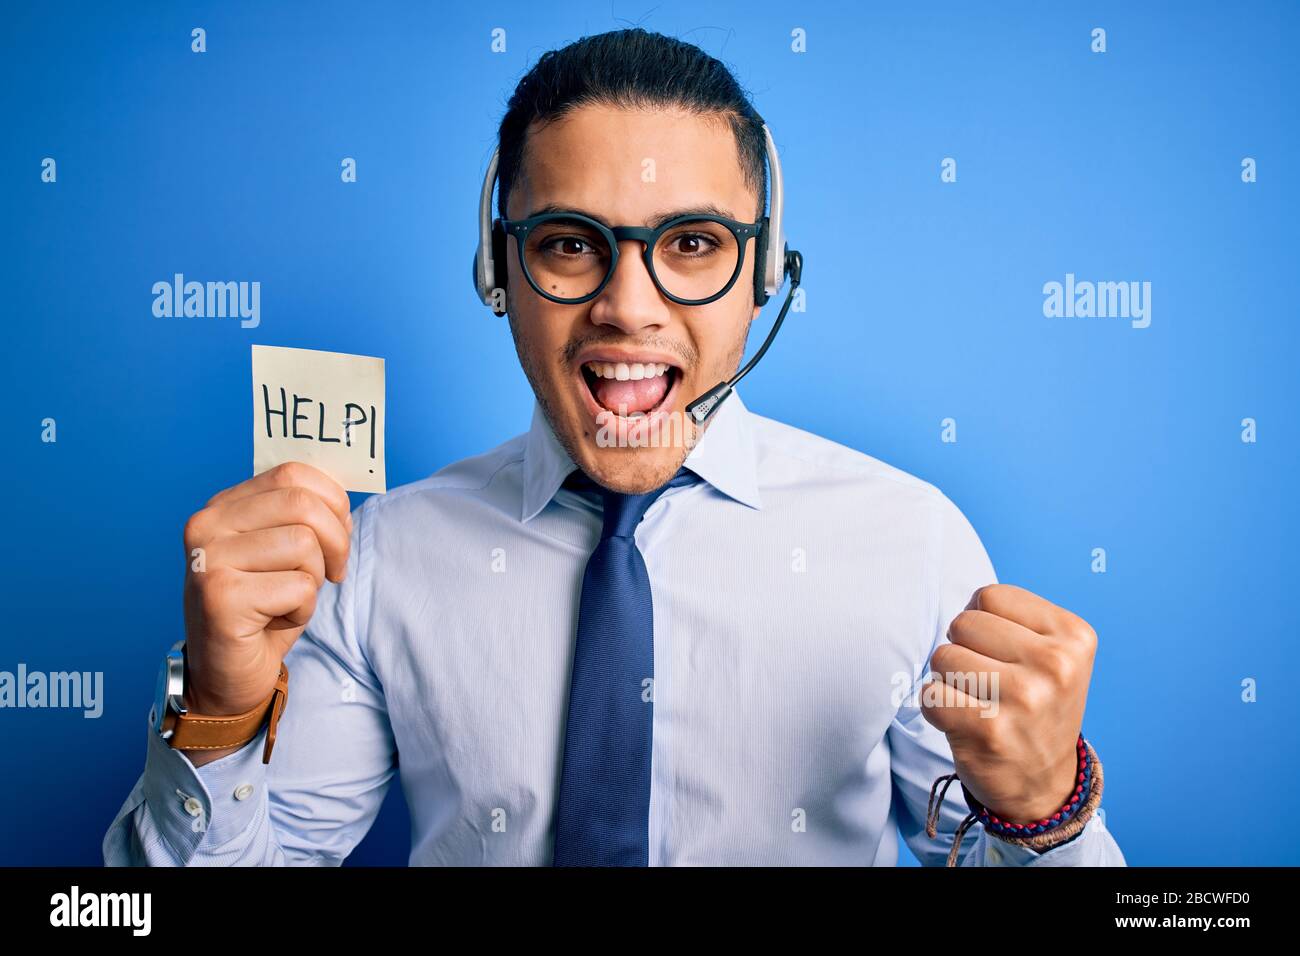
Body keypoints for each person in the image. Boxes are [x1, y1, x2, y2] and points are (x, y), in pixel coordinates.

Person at [104, 27, 1125, 866]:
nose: (627, 307)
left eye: (691, 243)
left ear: (763, 268)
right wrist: (220, 716)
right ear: (497, 270)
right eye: (568, 242)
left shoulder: (912, 542)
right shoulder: (371, 557)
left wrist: (1041, 813)